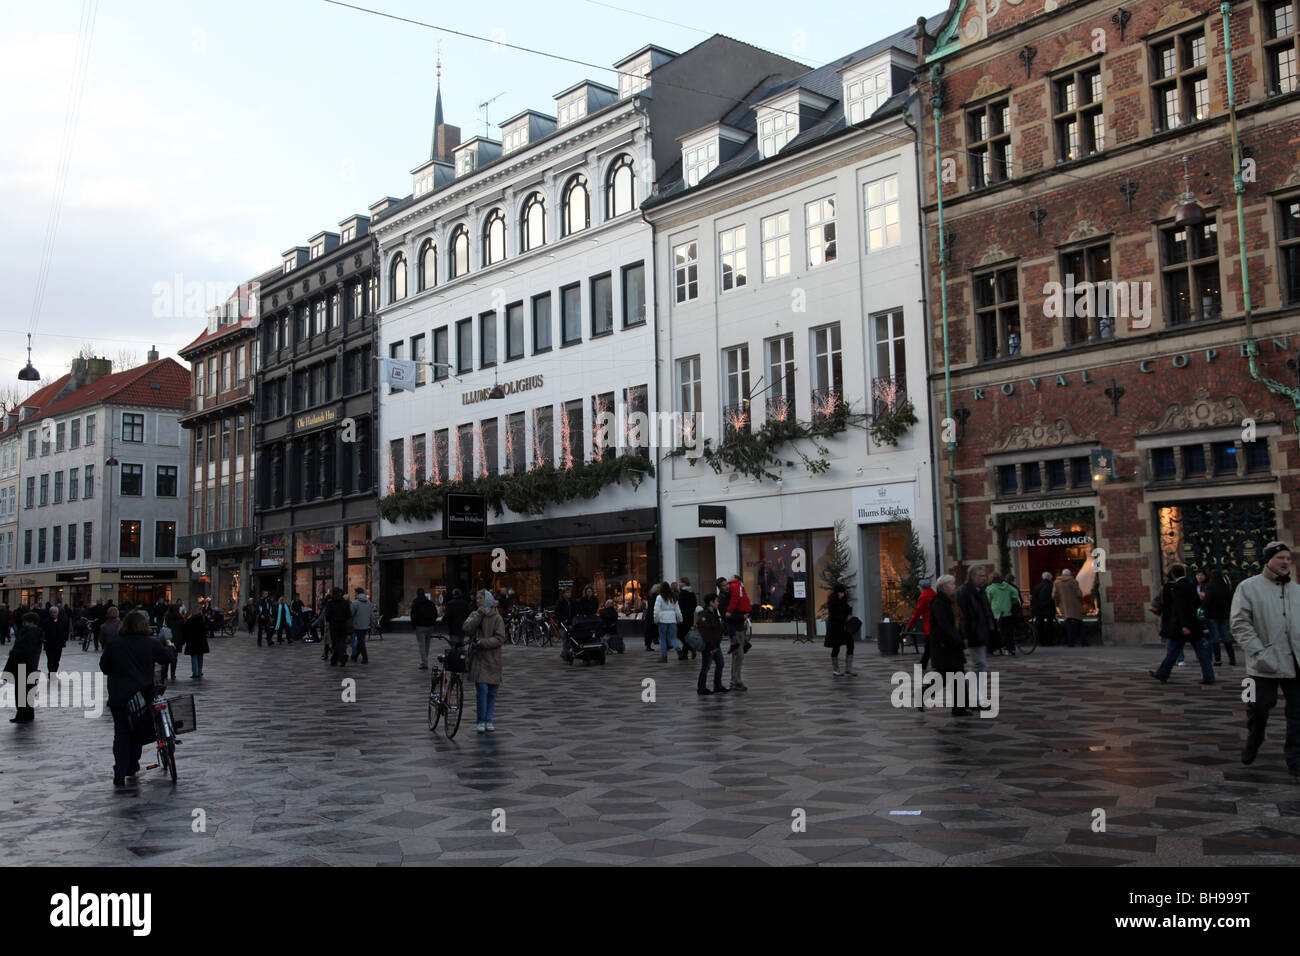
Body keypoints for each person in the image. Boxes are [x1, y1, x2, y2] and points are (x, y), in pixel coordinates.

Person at [1231, 542, 1300, 775]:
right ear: (1268, 560)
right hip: (1259, 665)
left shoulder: (1297, 590)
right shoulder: (1248, 587)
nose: (1285, 562)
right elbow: (1239, 624)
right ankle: (1254, 740)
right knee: (1256, 707)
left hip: (1295, 662)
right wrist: (1259, 652)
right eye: (1281, 557)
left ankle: (1295, 758)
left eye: (1288, 558)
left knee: (1298, 713)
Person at [100, 610, 176, 787]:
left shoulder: (115, 644)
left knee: (121, 734)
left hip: (120, 697)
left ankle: (120, 771)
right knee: (138, 731)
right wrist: (170, 645)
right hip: (142, 695)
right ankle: (132, 765)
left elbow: (104, 667)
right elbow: (167, 658)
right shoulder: (150, 643)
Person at [1149, 564, 1215, 684]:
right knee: (1200, 653)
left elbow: (1181, 608)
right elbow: (1195, 603)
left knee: (1174, 652)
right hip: (1193, 623)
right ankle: (1209, 676)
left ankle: (1162, 673)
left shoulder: (1178, 587)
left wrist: (1184, 625)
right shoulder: (1190, 584)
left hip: (1182, 625)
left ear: (1173, 574)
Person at [928, 575, 972, 716]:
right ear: (944, 587)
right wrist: (958, 640)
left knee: (955, 675)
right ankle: (922, 695)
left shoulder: (952, 602)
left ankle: (959, 708)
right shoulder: (938, 603)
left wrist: (962, 637)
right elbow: (945, 625)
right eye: (952, 584)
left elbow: (959, 621)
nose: (955, 586)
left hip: (952, 645)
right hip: (944, 646)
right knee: (946, 677)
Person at [463, 591, 505, 733]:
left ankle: (489, 720)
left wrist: (482, 642)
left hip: (493, 659)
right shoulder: (475, 614)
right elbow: (466, 629)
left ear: (487, 600)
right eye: (477, 598)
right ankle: (481, 720)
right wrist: (479, 616)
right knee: (482, 691)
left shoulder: (497, 617)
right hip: (479, 660)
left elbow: (500, 638)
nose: (478, 601)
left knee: (492, 692)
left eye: (480, 598)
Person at [956, 566, 994, 709]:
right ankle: (974, 698)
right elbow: (962, 616)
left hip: (980, 633)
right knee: (979, 665)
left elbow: (985, 612)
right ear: (972, 576)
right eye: (981, 576)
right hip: (973, 634)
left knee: (980, 665)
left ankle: (974, 697)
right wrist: (964, 635)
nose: (985, 578)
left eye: (985, 575)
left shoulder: (981, 591)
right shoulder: (964, 592)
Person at [4, 612, 43, 723]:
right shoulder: (34, 633)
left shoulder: (30, 633)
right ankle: (26, 714)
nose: (23, 624)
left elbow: (25, 650)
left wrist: (14, 652)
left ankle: (23, 715)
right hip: (29, 666)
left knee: (22, 692)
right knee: (26, 692)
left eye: (25, 621)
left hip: (24, 666)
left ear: (30, 622)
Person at [1202, 568, 1238, 666]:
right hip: (1224, 615)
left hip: (1212, 615)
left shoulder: (1211, 587)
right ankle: (1232, 659)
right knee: (1226, 636)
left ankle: (1218, 659)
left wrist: (1202, 609)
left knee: (1215, 637)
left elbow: (1207, 601)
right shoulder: (1225, 587)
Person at [695, 593, 728, 695]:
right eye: (716, 601)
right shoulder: (704, 615)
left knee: (720, 663)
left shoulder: (714, 613)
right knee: (706, 666)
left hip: (715, 645)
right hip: (709, 646)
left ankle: (717, 686)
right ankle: (701, 688)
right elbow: (705, 633)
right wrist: (711, 646)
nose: (718, 603)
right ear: (711, 603)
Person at [986, 571, 1022, 656]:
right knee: (1008, 632)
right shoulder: (1007, 586)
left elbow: (987, 600)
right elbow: (1015, 593)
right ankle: (1011, 649)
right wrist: (1012, 601)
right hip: (1007, 611)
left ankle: (993, 648)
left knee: (994, 631)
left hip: (995, 612)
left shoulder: (990, 588)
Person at [726, 574, 752, 692]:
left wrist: (729, 611)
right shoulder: (740, 585)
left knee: (738, 654)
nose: (728, 580)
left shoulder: (734, 586)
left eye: (730, 577)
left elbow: (735, 599)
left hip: (739, 624)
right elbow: (744, 599)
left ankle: (735, 680)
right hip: (739, 624)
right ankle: (735, 680)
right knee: (738, 654)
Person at [1053, 568, 1087, 647]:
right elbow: (1079, 593)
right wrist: (1082, 602)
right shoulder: (1073, 581)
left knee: (1068, 623)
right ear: (1070, 574)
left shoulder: (1057, 582)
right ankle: (1083, 641)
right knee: (1080, 623)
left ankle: (1070, 642)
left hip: (1064, 606)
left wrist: (1057, 604)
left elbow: (1054, 595)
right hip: (1076, 605)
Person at [907, 579, 936, 669]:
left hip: (929, 624)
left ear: (921, 587)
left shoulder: (923, 597)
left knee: (929, 646)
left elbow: (917, 613)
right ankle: (924, 663)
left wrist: (910, 625)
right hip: (935, 624)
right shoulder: (934, 594)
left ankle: (924, 664)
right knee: (930, 645)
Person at [825, 584, 853, 676]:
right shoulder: (833, 603)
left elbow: (847, 610)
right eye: (841, 592)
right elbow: (836, 615)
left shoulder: (843, 602)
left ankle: (848, 669)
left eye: (843, 592)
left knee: (850, 644)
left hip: (843, 628)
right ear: (836, 593)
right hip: (835, 628)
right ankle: (836, 669)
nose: (842, 594)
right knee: (836, 647)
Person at [654, 580, 683, 663]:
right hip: (672, 619)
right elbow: (677, 610)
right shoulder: (673, 597)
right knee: (672, 638)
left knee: (663, 639)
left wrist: (655, 619)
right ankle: (677, 648)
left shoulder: (659, 597)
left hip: (662, 619)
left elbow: (656, 610)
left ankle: (664, 656)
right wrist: (680, 619)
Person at [411, 588, 439, 670]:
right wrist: (432, 623)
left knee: (422, 645)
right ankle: (425, 660)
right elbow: (435, 613)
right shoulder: (430, 603)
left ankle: (424, 662)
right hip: (429, 626)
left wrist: (414, 625)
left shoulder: (415, 603)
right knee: (427, 645)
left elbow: (413, 615)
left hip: (420, 627)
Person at [327, 588, 353, 666]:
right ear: (340, 593)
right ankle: (338, 658)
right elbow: (349, 615)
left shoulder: (330, 603)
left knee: (335, 643)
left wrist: (331, 620)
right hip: (343, 624)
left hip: (333, 625)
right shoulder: (345, 603)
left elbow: (327, 615)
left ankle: (339, 658)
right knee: (342, 641)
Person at [41, 605, 70, 675]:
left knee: (57, 660)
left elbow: (66, 630)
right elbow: (42, 631)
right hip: (49, 644)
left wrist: (65, 638)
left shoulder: (62, 621)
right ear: (50, 613)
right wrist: (44, 639)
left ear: (57, 613)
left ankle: (54, 671)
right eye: (52, 612)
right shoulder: (46, 622)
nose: (53, 614)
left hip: (59, 644)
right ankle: (51, 674)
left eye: (55, 612)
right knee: (50, 660)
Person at [183, 607, 209, 679]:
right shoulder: (202, 619)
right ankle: (199, 671)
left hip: (192, 641)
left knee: (194, 656)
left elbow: (186, 631)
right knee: (200, 656)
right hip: (201, 641)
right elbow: (206, 629)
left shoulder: (190, 620)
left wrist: (185, 639)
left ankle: (195, 672)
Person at [350, 588, 374, 664]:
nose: (354, 594)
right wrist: (373, 623)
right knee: (360, 641)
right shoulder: (369, 603)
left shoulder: (355, 603)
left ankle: (365, 658)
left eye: (355, 593)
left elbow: (351, 614)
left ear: (357, 593)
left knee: (361, 642)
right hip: (365, 625)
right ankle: (355, 656)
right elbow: (372, 615)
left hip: (357, 625)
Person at [1030, 572, 1055, 646]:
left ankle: (1041, 641)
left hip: (1039, 609)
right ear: (1050, 578)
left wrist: (1039, 605)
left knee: (1040, 625)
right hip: (1049, 608)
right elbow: (1053, 598)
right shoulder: (1052, 586)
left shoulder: (1037, 586)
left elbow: (1034, 598)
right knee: (1049, 625)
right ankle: (1049, 641)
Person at [677, 579, 698, 657]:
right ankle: (684, 654)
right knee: (686, 635)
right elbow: (695, 604)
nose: (679, 583)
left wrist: (679, 616)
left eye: (681, 582)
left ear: (685, 583)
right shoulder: (692, 593)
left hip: (682, 617)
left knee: (680, 635)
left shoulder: (683, 593)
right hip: (690, 617)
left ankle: (691, 648)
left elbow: (680, 606)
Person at [643, 583, 660, 652]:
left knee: (649, 631)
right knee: (650, 630)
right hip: (652, 615)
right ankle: (649, 645)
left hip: (650, 615)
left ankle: (649, 644)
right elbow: (653, 607)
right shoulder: (655, 597)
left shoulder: (651, 596)